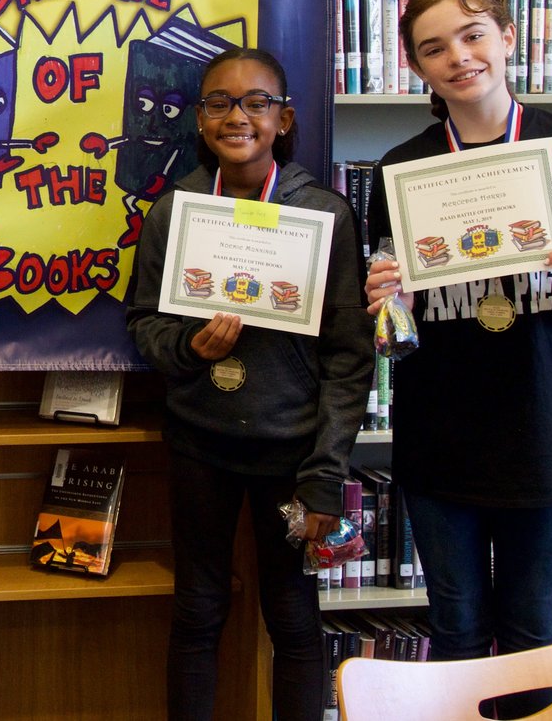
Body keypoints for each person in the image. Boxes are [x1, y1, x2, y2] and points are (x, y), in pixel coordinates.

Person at [364, 0, 552, 712]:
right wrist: (384, 299)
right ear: (418, 68)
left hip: (545, 439)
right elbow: (390, 330)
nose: (459, 57)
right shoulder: (401, 167)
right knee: (455, 635)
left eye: (473, 35)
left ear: (508, 37)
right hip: (439, 442)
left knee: (533, 636)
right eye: (434, 48)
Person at [127, 47, 374, 721]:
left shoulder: (324, 214)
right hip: (199, 444)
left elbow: (350, 357)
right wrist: (189, 346)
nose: (237, 116)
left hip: (289, 453)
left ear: (284, 118)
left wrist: (325, 471)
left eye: (255, 102)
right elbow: (143, 324)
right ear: (200, 118)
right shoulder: (174, 210)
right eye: (219, 102)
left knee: (293, 616)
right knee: (198, 608)